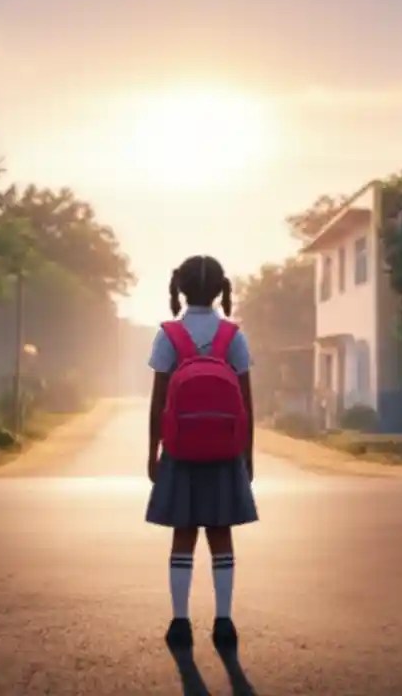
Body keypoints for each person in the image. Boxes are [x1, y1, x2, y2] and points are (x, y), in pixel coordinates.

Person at [146, 254, 258, 650]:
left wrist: (152, 451)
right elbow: (246, 402)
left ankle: (180, 622)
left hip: (180, 449)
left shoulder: (168, 336)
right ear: (219, 290)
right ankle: (224, 621)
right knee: (220, 534)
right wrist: (248, 455)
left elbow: (158, 401)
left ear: (180, 288)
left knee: (183, 534)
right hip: (226, 451)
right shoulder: (233, 336)